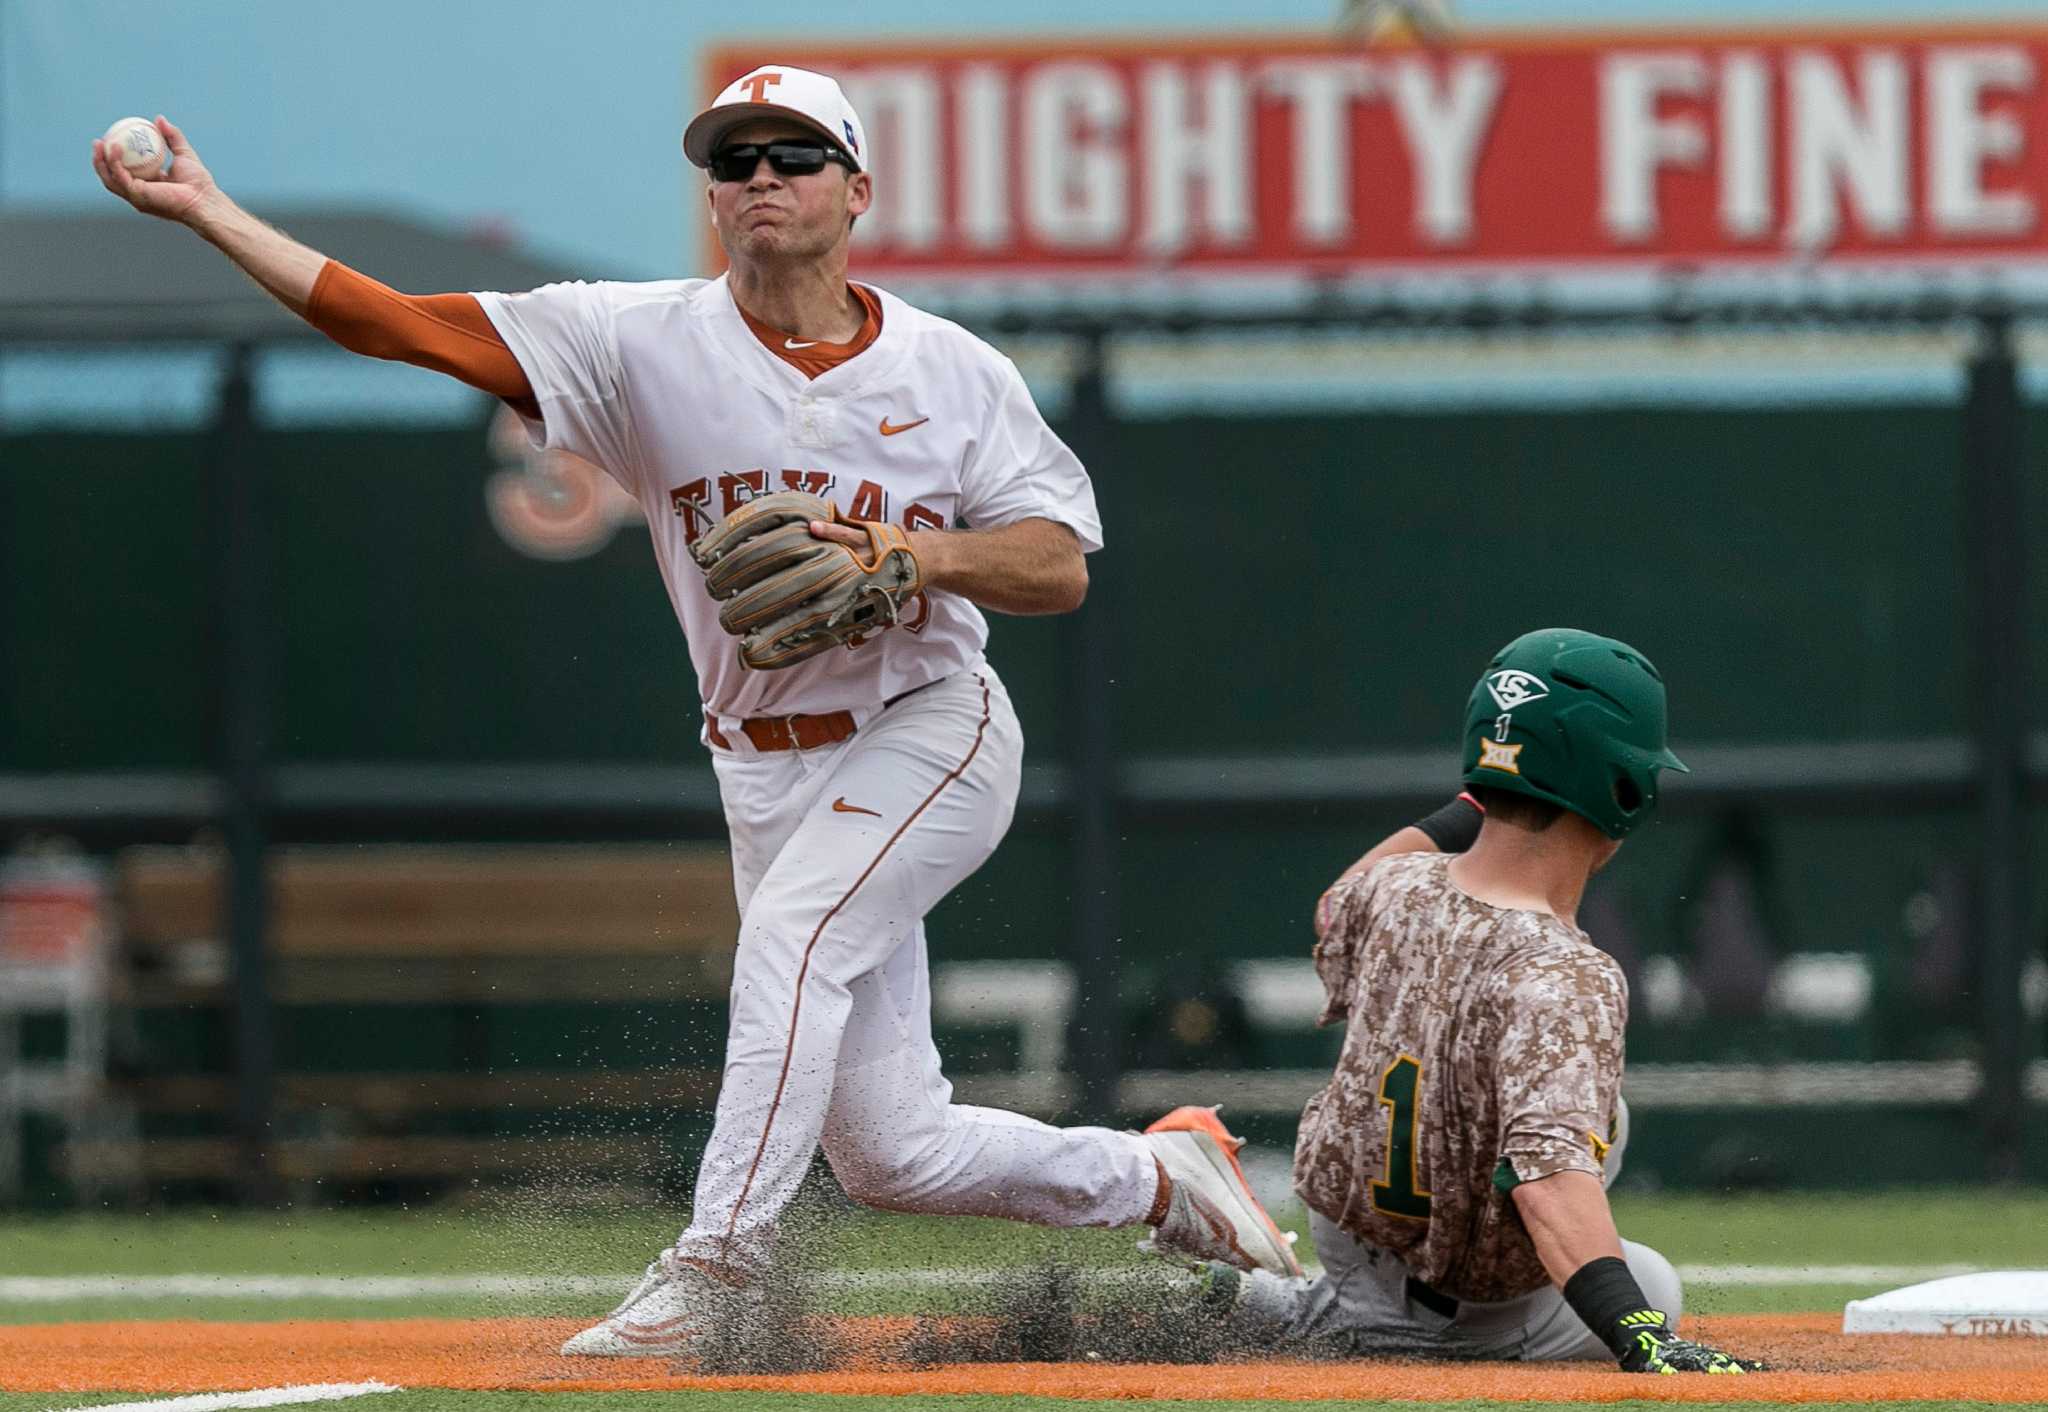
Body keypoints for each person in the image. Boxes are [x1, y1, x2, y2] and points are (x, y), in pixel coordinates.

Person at [91, 64, 1299, 1358]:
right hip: (764, 772)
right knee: (895, 1151)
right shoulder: (637, 343)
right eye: (735, 160)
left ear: (856, 189)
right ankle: (1168, 1182)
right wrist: (212, 210)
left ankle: (719, 1265)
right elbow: (394, 323)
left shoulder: (953, 371)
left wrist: (917, 556)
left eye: (793, 153)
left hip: (933, 724)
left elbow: (1056, 562)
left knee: (792, 937)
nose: (763, 177)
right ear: (714, 196)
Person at [1196, 628, 1757, 1374]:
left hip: (1346, 1228)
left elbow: (1336, 902)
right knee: (1650, 1274)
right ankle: (1351, 1327)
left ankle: (1319, 1307)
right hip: (1460, 1290)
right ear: (1624, 787)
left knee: (1559, 1124)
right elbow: (1548, 1172)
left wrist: (1486, 794)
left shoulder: (1392, 888)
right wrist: (1639, 1332)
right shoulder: (1567, 972)